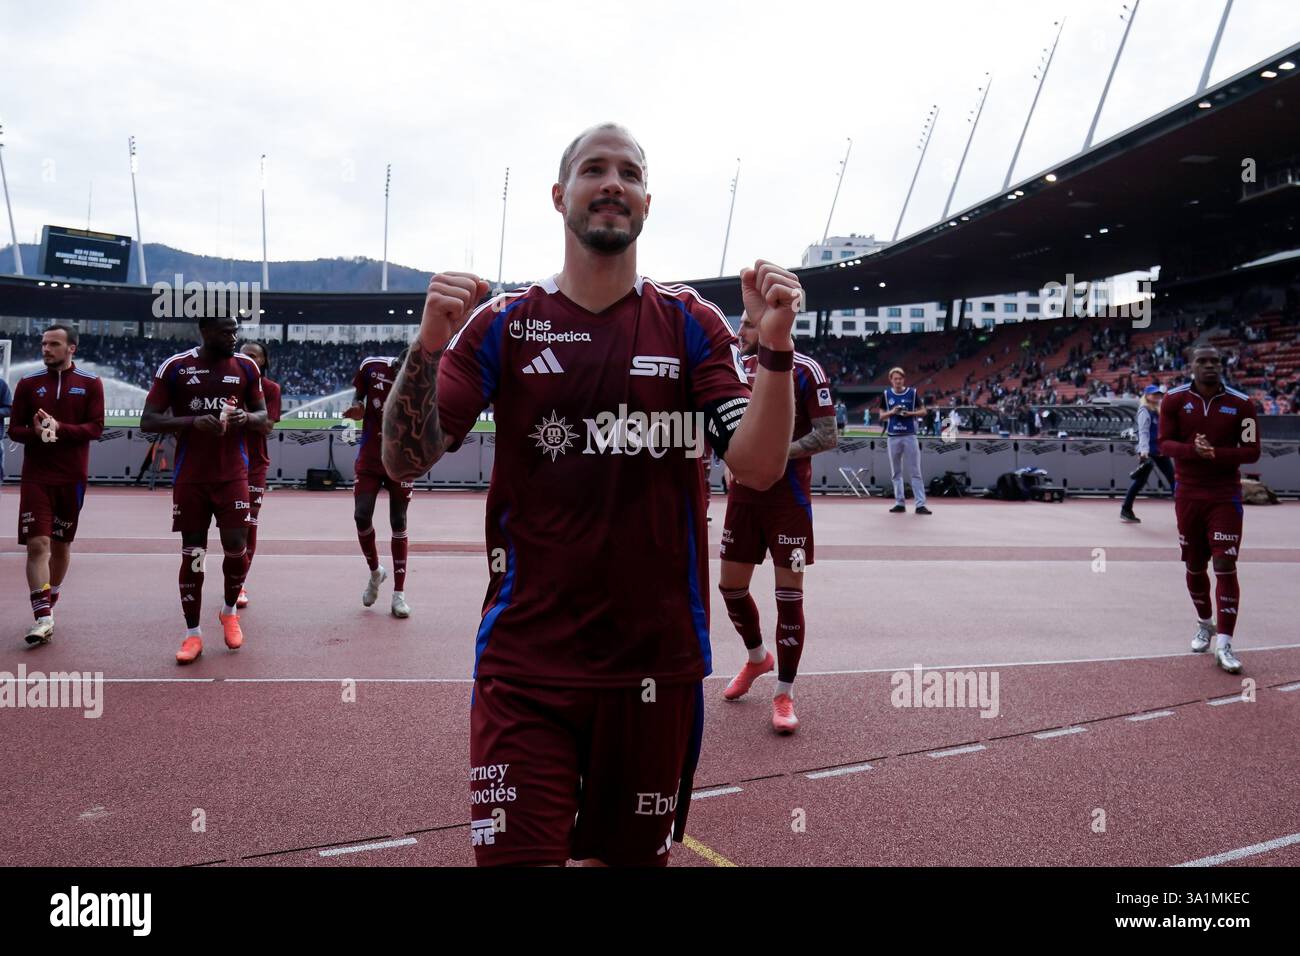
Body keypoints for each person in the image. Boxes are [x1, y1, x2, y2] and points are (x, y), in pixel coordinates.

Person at [381, 122, 797, 867]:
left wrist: (773, 348)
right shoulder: (503, 322)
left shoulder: (689, 323)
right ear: (559, 195)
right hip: (524, 664)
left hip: (655, 667)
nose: (613, 182)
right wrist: (426, 347)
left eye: (629, 172)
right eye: (594, 169)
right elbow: (404, 459)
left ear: (646, 200)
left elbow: (760, 467)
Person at [718, 312, 836, 733]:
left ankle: (784, 693)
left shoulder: (806, 369)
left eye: (749, 324)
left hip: (789, 502)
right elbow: (722, 427)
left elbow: (828, 435)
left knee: (789, 596)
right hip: (744, 499)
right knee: (730, 587)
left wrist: (771, 452)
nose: (740, 332)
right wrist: (733, 457)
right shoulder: (737, 368)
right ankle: (756, 658)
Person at [141, 315, 267, 664]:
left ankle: (228, 611)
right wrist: (191, 422)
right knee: (193, 554)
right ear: (205, 331)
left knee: (236, 546)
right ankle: (192, 634)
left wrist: (246, 418)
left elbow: (264, 417)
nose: (233, 337)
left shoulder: (246, 367)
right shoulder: (176, 367)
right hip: (191, 478)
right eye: (226, 332)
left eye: (235, 331)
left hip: (233, 475)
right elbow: (148, 420)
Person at [1158, 347, 1260, 674]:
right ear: (1191, 366)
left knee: (1225, 563)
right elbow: (1165, 444)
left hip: (1224, 494)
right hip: (1187, 492)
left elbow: (1252, 452)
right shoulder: (1173, 400)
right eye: (1202, 361)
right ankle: (1205, 623)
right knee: (1194, 564)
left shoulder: (1241, 404)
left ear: (1223, 364)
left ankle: (1225, 644)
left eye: (1215, 361)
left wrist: (1214, 454)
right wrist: (1193, 451)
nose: (1209, 366)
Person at [7, 324, 104, 644]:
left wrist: (61, 428)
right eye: (43, 343)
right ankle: (43, 616)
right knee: (38, 545)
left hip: (73, 478)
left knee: (61, 546)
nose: (46, 349)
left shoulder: (91, 383)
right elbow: (14, 431)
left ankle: (51, 598)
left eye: (54, 344)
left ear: (71, 348)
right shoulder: (28, 383)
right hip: (37, 477)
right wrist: (33, 433)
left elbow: (95, 429)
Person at [342, 348, 413, 618]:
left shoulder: (424, 385)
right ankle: (375, 572)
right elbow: (357, 399)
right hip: (370, 458)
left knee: (399, 521)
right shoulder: (372, 366)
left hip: (401, 462)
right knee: (361, 516)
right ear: (398, 363)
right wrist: (356, 408)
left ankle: (399, 595)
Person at [237, 341, 282, 606]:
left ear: (264, 361)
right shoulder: (227, 382)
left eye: (255, 355)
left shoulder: (272, 389)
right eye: (244, 354)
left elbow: (267, 427)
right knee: (230, 526)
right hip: (226, 462)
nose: (249, 358)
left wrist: (242, 416)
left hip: (254, 464)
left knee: (249, 523)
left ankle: (240, 583)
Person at [880, 367, 931, 515]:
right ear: (891, 380)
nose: (897, 381)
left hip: (909, 435)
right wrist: (892, 411)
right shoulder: (886, 394)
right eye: (895, 379)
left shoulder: (912, 393)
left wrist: (910, 413)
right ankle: (899, 502)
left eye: (900, 378)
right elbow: (881, 415)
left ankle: (920, 504)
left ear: (904, 379)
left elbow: (924, 411)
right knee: (896, 472)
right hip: (893, 435)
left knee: (915, 471)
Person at [1120, 385, 1174, 523]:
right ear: (1147, 395)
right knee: (1140, 481)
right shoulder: (1144, 411)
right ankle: (1126, 509)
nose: (1157, 396)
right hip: (1149, 451)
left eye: (1158, 394)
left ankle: (1183, 509)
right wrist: (1144, 451)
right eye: (1153, 394)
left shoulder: (1157, 410)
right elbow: (1143, 432)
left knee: (1172, 479)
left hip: (1159, 450)